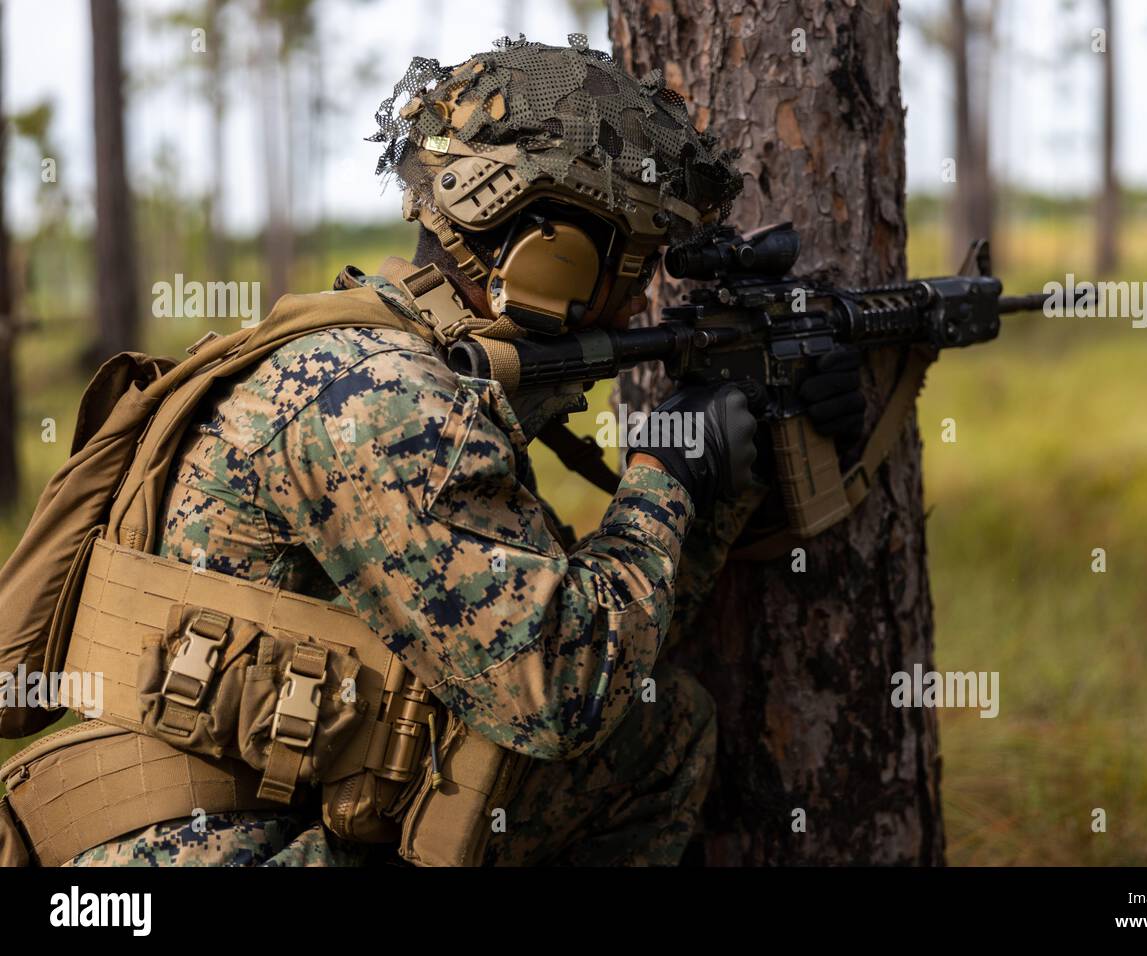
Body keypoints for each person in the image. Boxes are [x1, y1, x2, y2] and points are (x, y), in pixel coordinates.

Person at [71, 36, 863, 866]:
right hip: (205, 852)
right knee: (657, 741)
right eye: (631, 263)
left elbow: (587, 620)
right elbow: (564, 686)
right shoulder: (382, 400)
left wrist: (732, 467)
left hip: (225, 826)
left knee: (655, 721)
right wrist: (668, 474)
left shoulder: (383, 360)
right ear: (550, 252)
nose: (636, 306)